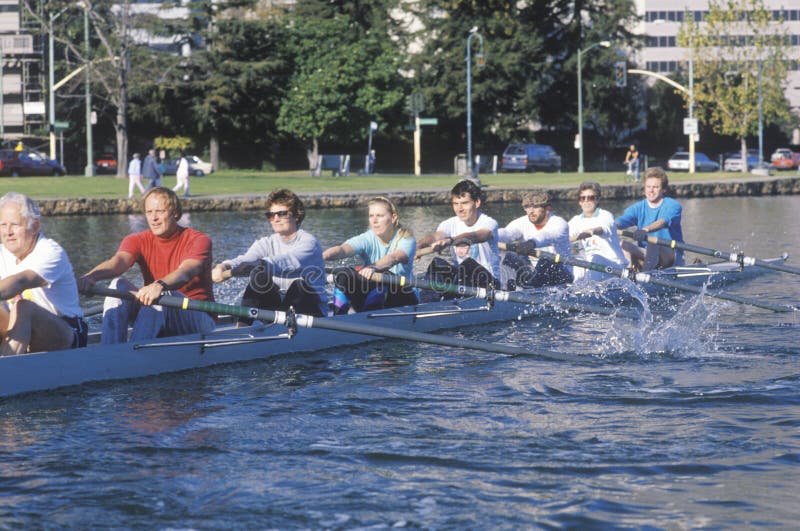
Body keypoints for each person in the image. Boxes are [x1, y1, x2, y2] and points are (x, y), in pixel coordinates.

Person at [77, 187, 215, 344]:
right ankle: (110, 349)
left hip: (200, 319)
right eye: (149, 212)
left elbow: (186, 272)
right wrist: (90, 277)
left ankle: (134, 353)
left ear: (175, 213)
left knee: (161, 293)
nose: (153, 218)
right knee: (118, 285)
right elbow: (118, 263)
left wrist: (160, 284)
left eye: (160, 211)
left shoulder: (199, 240)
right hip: (159, 307)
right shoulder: (136, 240)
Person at [212, 189, 328, 321]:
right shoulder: (266, 243)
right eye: (271, 215)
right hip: (281, 308)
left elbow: (288, 261)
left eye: (282, 214)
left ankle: (268, 328)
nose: (276, 219)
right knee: (260, 276)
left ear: (296, 215)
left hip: (311, 310)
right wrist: (223, 266)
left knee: (298, 285)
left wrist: (259, 264)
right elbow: (245, 259)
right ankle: (243, 328)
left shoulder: (309, 243)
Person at [0, 192, 86, 355]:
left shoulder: (51, 252)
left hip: (68, 334)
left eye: (15, 225)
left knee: (23, 307)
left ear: (35, 226)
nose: (8, 232)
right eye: (3, 225)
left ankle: (5, 370)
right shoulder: (2, 253)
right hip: (25, 330)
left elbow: (21, 281)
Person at [323, 196, 418, 314]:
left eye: (380, 216)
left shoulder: (406, 239)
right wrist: (321, 257)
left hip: (403, 297)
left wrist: (374, 267)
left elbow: (394, 258)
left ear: (393, 218)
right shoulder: (367, 238)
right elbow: (342, 250)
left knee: (383, 275)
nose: (374, 221)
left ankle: (369, 318)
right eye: (371, 216)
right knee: (344, 273)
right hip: (374, 292)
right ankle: (338, 316)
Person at [417, 179, 500, 289]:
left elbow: (476, 236)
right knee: (437, 265)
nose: (459, 209)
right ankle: (430, 303)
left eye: (464, 203)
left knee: (467, 265)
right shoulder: (449, 223)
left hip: (490, 283)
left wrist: (450, 240)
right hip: (464, 281)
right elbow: (435, 237)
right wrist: (418, 246)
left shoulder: (489, 223)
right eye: (456, 204)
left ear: (477, 202)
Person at [499, 191, 573, 288]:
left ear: (547, 209)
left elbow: (546, 235)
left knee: (547, 260)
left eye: (535, 207)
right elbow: (507, 233)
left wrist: (531, 243)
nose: (531, 211)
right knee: (509, 256)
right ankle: (505, 290)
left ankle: (527, 288)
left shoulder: (559, 224)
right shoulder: (522, 222)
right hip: (532, 273)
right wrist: (489, 234)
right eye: (527, 207)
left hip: (562, 276)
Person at [615, 166, 684, 270]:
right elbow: (621, 221)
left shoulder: (673, 206)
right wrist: (609, 226)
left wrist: (645, 229)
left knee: (654, 244)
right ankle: (628, 275)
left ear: (663, 189)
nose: (651, 190)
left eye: (655, 187)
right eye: (648, 187)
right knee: (622, 244)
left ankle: (645, 276)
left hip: (670, 255)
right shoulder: (638, 208)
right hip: (647, 255)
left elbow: (662, 222)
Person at [567, 182, 628, 282]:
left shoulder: (605, 215)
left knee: (595, 258)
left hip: (615, 267)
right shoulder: (574, 221)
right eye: (583, 198)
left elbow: (604, 228)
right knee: (577, 261)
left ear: (597, 199)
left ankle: (587, 291)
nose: (586, 201)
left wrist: (593, 230)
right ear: (579, 201)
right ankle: (576, 290)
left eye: (591, 198)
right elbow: (565, 238)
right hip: (590, 267)